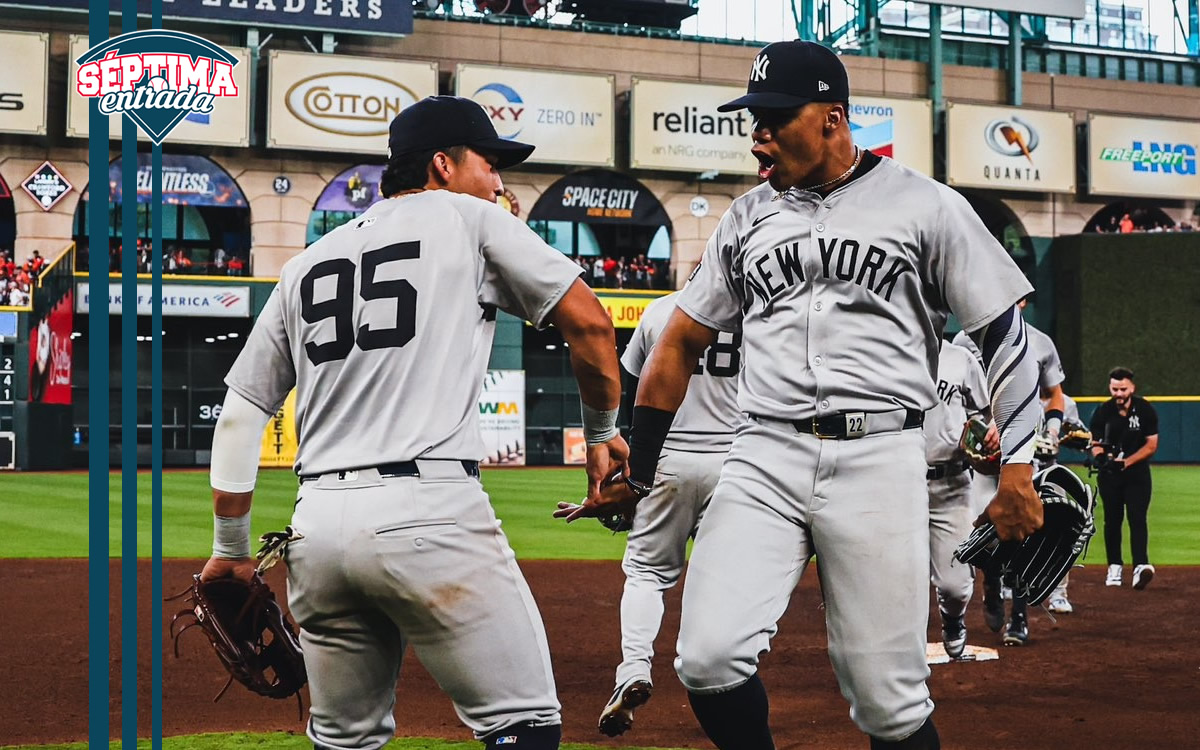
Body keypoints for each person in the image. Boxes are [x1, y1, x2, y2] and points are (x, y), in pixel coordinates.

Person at [560, 40, 1044, 750]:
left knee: (889, 704)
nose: (757, 132)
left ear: (832, 118)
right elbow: (679, 345)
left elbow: (1006, 336)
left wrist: (1019, 466)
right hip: (762, 453)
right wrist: (642, 468)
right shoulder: (747, 218)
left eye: (775, 115)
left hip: (880, 455)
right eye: (753, 116)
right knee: (707, 659)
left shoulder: (925, 206)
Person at [200, 95, 627, 750]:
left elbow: (240, 414)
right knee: (525, 725)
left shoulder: (306, 263)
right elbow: (592, 324)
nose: (500, 182)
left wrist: (231, 550)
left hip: (315, 530)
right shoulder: (469, 219)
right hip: (429, 512)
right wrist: (600, 437)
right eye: (490, 163)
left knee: (344, 739)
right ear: (443, 166)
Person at [591, 291, 741, 737]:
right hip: (735, 462)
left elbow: (635, 382)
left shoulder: (661, 310)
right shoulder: (755, 313)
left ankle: (633, 668)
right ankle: (726, 679)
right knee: (727, 579)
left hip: (668, 458)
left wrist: (629, 461)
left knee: (646, 574)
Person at [952, 297, 1070, 639]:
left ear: (1023, 301)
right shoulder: (963, 342)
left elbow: (1054, 394)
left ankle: (1018, 619)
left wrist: (1051, 428)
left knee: (1021, 534)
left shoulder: (1039, 342)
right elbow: (959, 395)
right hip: (980, 458)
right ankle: (990, 579)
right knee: (979, 536)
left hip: (1021, 455)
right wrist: (978, 426)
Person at [925, 338, 990, 660]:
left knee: (954, 584)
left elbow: (983, 413)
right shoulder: (887, 348)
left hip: (952, 484)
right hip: (896, 482)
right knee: (894, 577)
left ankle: (953, 619)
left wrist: (982, 437)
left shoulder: (960, 358)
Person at [1089, 367, 1159, 589]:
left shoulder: (1145, 409)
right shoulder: (1103, 411)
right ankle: (1114, 567)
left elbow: (1151, 444)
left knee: (1137, 518)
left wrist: (1127, 462)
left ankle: (1140, 566)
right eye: (1114, 389)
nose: (1118, 394)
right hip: (1110, 476)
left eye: (1122, 389)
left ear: (1132, 388)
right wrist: (1100, 458)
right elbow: (1096, 442)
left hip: (1137, 475)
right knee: (1112, 520)